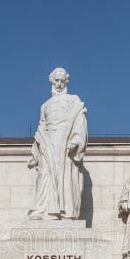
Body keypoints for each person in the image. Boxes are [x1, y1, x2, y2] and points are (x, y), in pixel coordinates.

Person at [27, 67, 88, 220]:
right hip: (48, 143)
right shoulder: (45, 105)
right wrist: (36, 153)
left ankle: (64, 211)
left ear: (66, 81)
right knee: (44, 174)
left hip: (65, 141)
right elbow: (41, 128)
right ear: (52, 81)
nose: (59, 84)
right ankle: (42, 209)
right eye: (57, 80)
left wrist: (75, 141)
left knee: (65, 176)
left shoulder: (73, 100)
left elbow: (79, 120)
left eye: (62, 80)